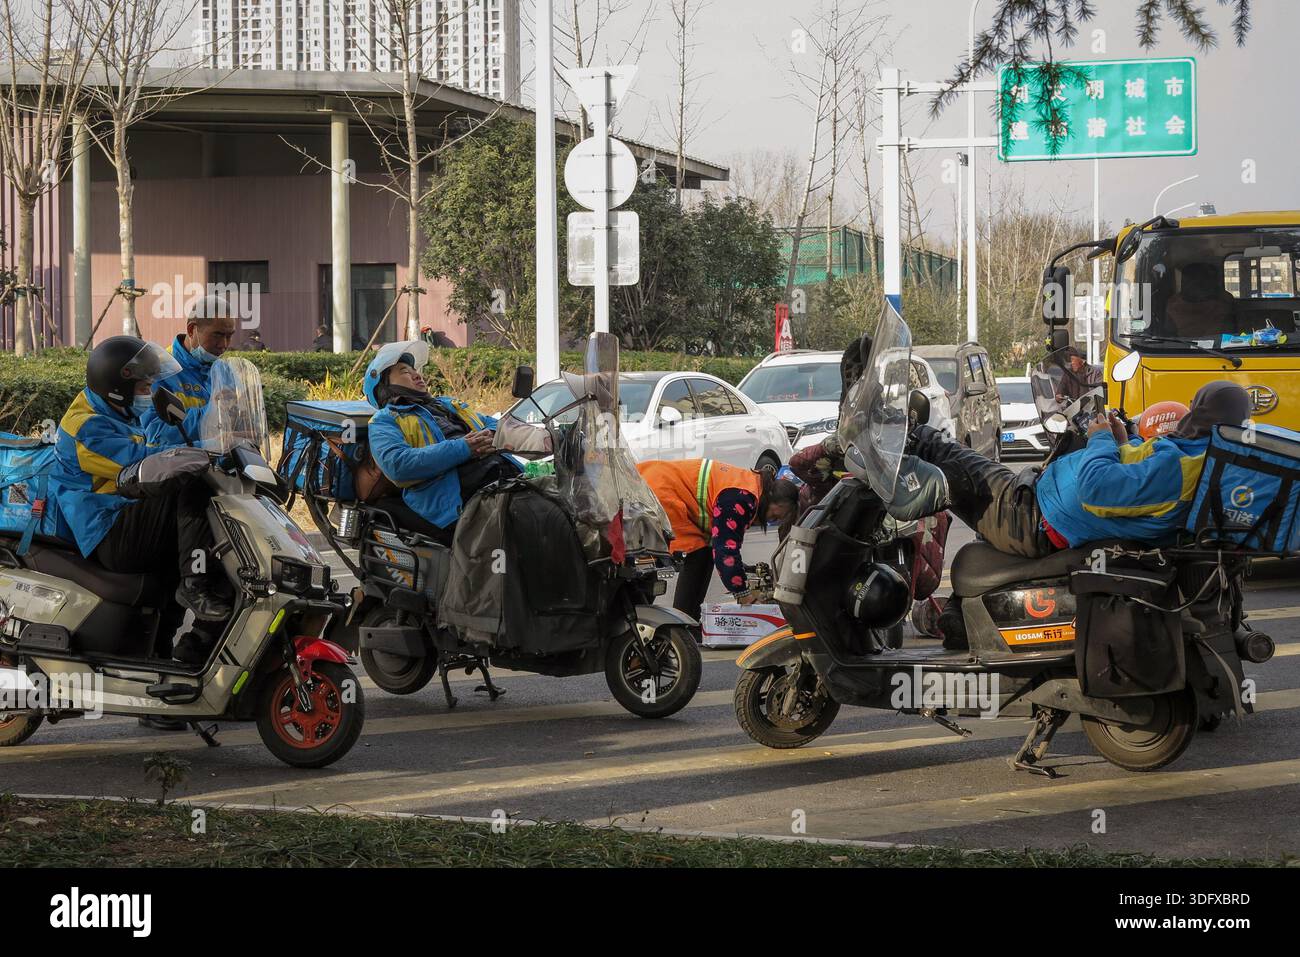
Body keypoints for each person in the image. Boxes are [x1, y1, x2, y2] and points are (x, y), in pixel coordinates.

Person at [889, 381, 1252, 561]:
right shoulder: (1199, 456)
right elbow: (1137, 486)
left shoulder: (1181, 466)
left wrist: (1099, 440)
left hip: (1034, 517)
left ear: (1201, 411)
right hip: (1040, 501)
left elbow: (1097, 489)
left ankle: (878, 445)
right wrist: (1122, 442)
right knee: (943, 450)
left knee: (944, 456)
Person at [52, 338, 231, 673]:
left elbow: (163, 441)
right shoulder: (86, 427)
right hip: (108, 531)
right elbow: (141, 462)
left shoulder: (119, 411)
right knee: (190, 484)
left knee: (216, 562)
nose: (150, 392)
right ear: (119, 385)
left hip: (130, 515)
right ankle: (195, 585)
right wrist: (207, 454)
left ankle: (178, 667)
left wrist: (219, 444)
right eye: (144, 386)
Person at [364, 341, 520, 545]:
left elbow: (498, 426)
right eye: (405, 372)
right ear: (385, 386)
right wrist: (464, 448)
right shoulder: (384, 420)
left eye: (415, 370)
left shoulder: (448, 405)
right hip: (456, 502)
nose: (417, 375)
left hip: (502, 479)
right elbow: (397, 465)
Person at [637, 458, 800, 617]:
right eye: (775, 515)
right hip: (661, 492)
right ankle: (680, 620)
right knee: (696, 553)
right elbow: (726, 551)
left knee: (704, 552)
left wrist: (741, 574)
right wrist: (743, 594)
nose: (774, 520)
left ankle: (686, 620)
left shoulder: (753, 488)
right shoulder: (741, 498)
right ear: (774, 501)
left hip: (660, 483)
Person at [141, 295, 237, 445]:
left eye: (229, 336)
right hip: (178, 465)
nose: (223, 345)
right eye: (217, 335)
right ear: (192, 330)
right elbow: (155, 434)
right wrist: (211, 413)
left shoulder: (225, 371)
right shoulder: (159, 370)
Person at [1166, 261, 1235, 339]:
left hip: (1220, 348)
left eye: (1201, 280)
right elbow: (1168, 336)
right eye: (1191, 279)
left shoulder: (1224, 302)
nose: (1195, 283)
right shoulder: (1173, 303)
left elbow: (1231, 335)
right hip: (1180, 348)